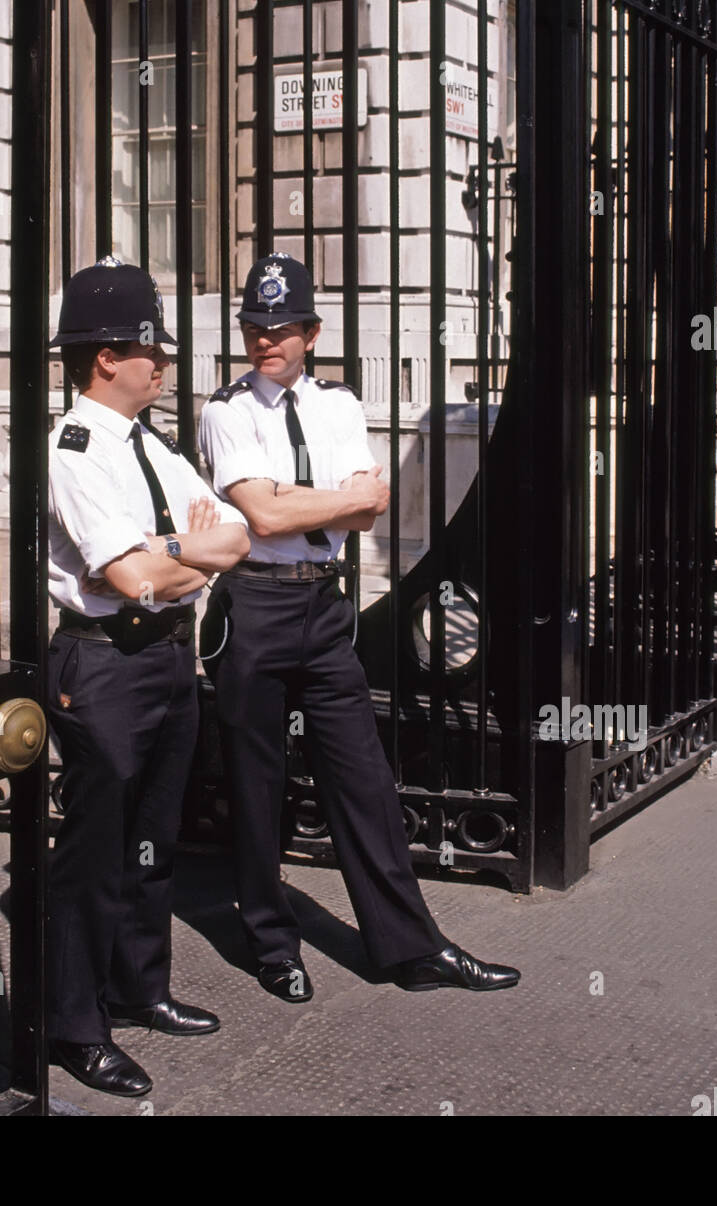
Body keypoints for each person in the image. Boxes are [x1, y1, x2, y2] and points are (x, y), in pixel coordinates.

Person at [197, 253, 521, 1002]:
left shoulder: (340, 405)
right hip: (257, 606)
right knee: (257, 783)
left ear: (311, 332)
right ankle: (272, 942)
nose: (264, 341)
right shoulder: (226, 410)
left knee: (365, 780)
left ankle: (411, 946)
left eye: (279, 329)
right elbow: (266, 516)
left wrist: (293, 497)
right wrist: (317, 500)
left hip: (321, 606)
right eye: (253, 328)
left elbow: (369, 504)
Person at [45, 257, 249, 1098]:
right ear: (105, 357)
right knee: (95, 850)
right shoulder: (75, 449)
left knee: (153, 839)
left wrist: (163, 554)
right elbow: (126, 580)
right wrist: (175, 555)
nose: (161, 363)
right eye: (147, 348)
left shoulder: (155, 448)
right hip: (104, 661)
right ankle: (74, 1024)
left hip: (167, 654)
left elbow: (233, 538)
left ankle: (141, 987)